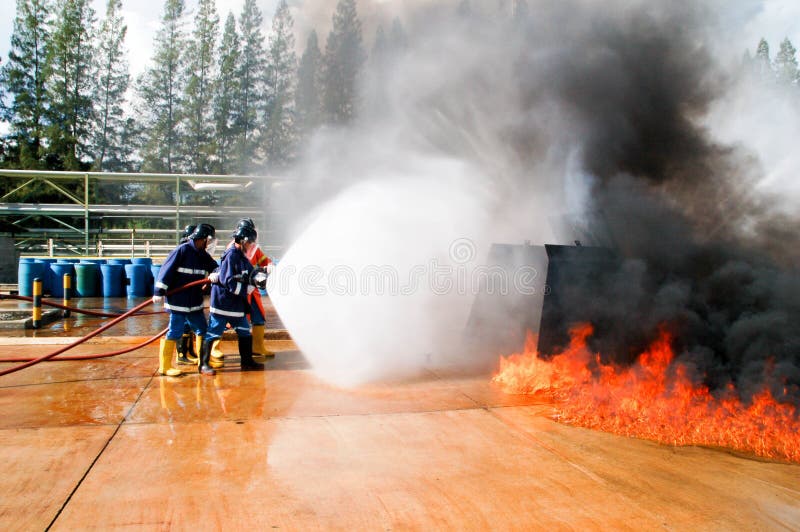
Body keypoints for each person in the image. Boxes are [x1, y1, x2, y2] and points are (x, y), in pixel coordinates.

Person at [201, 224, 268, 374]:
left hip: (237, 305)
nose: (251, 246)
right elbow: (228, 281)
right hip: (223, 304)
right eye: (250, 242)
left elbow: (250, 271)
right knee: (213, 332)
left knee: (245, 332)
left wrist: (259, 276)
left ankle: (247, 362)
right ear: (243, 241)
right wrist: (246, 290)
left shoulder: (241, 256)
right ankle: (203, 364)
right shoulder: (231, 254)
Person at [152, 223, 218, 376]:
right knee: (175, 331)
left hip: (194, 302)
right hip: (178, 302)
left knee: (203, 330)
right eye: (208, 241)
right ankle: (165, 366)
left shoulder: (202, 254)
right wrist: (158, 291)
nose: (209, 244)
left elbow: (215, 266)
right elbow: (165, 271)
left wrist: (215, 273)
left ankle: (203, 363)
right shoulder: (181, 251)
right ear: (202, 239)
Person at [175, 225, 199, 365]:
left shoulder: (191, 251)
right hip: (181, 294)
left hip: (189, 293)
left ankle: (189, 352)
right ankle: (181, 355)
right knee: (182, 325)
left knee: (188, 325)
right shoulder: (183, 251)